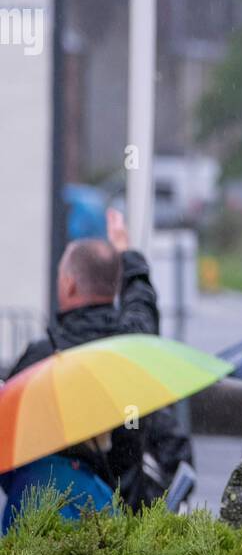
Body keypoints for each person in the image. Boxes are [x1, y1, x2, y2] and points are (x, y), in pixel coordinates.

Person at [2, 209, 194, 525]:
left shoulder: (42, 361)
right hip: (125, 520)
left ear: (70, 285)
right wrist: (126, 252)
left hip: (43, 528)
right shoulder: (137, 347)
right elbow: (142, 301)